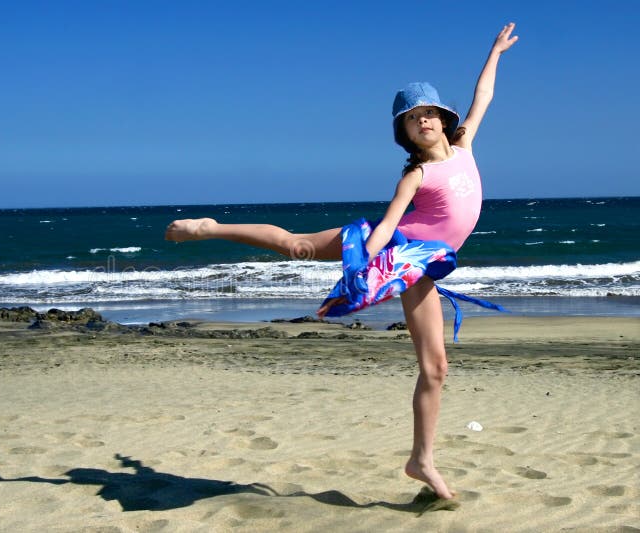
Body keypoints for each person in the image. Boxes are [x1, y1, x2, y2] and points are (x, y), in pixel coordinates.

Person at [165, 23, 519, 500]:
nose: (425, 122)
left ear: (443, 118)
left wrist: (495, 52)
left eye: (430, 113)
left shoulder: (463, 146)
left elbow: (484, 96)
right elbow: (391, 224)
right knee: (297, 245)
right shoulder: (417, 174)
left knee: (436, 369)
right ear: (406, 133)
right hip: (394, 252)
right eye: (414, 119)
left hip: (425, 266)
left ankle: (421, 460)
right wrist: (363, 264)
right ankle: (209, 227)